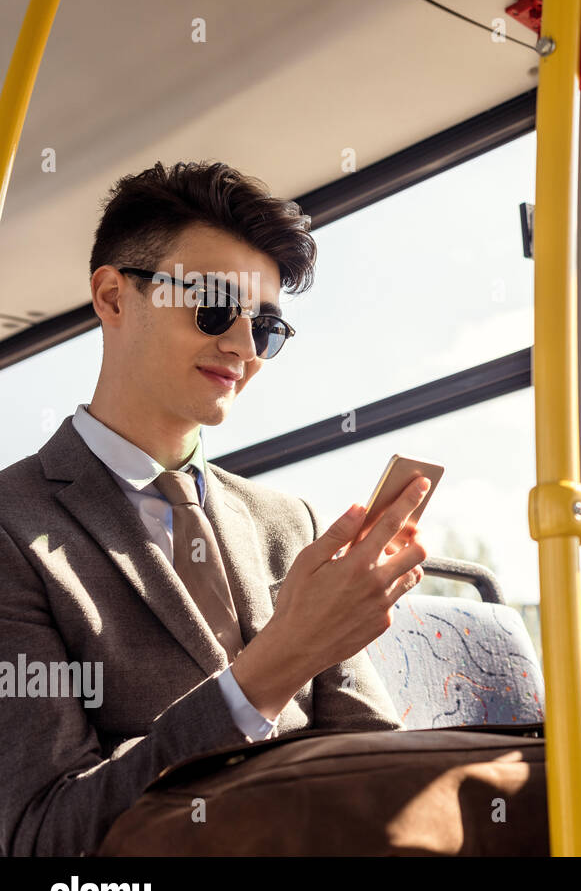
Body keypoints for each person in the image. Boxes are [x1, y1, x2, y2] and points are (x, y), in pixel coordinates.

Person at [0, 161, 432, 856]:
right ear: (113, 297)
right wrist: (268, 672)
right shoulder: (14, 529)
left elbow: (369, 757)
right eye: (212, 306)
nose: (241, 347)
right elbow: (44, 837)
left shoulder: (287, 521)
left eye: (265, 329)